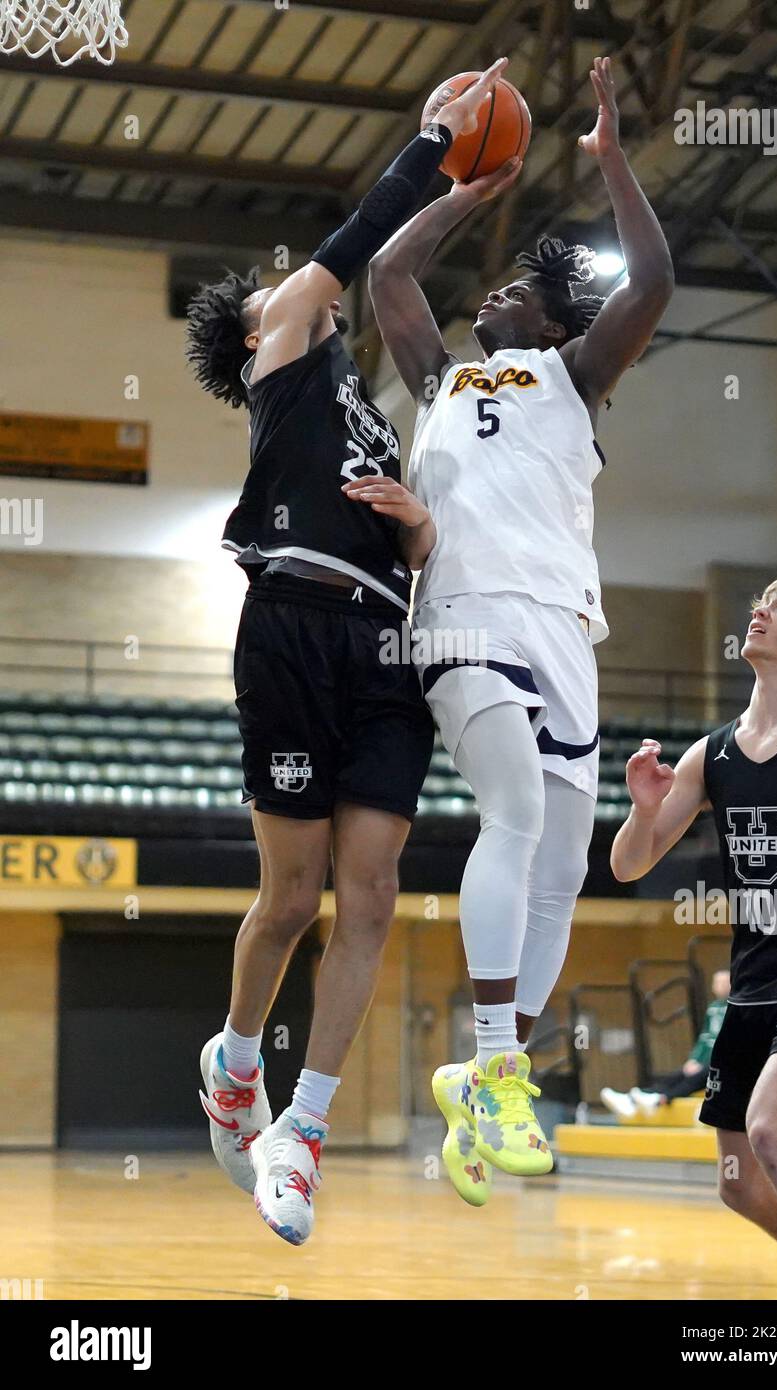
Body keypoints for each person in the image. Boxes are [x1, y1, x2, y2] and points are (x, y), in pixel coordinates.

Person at [183, 61, 509, 1246]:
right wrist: (432, 143)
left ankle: (302, 1128)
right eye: (287, 282)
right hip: (288, 625)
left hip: (386, 639)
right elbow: (359, 247)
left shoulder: (366, 410)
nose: (299, 282)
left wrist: (419, 527)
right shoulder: (280, 352)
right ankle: (232, 1059)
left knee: (370, 893)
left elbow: (423, 540)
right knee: (290, 897)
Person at [348, 56, 673, 1205]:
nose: (488, 299)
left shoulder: (574, 374)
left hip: (561, 627)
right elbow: (388, 270)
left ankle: (492, 1076)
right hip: (465, 612)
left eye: (511, 295)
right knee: (514, 812)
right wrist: (463, 184)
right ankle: (491, 1067)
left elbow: (655, 281)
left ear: (549, 316)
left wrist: (611, 163)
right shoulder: (436, 373)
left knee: (560, 871)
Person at [611, 567, 777, 1300]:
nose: (759, 613)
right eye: (759, 604)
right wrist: (641, 807)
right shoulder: (711, 754)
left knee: (772, 1131)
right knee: (738, 1185)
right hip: (752, 986)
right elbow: (630, 865)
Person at [601, 969, 729, 1118]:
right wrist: (695, 1059)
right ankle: (634, 1097)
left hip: (719, 1063)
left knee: (695, 1078)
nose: (720, 986)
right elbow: (705, 1038)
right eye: (717, 982)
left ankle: (658, 1099)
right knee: (678, 1075)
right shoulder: (713, 1008)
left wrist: (705, 1062)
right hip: (705, 1061)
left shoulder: (733, 1008)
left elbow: (724, 1043)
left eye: (724, 982)